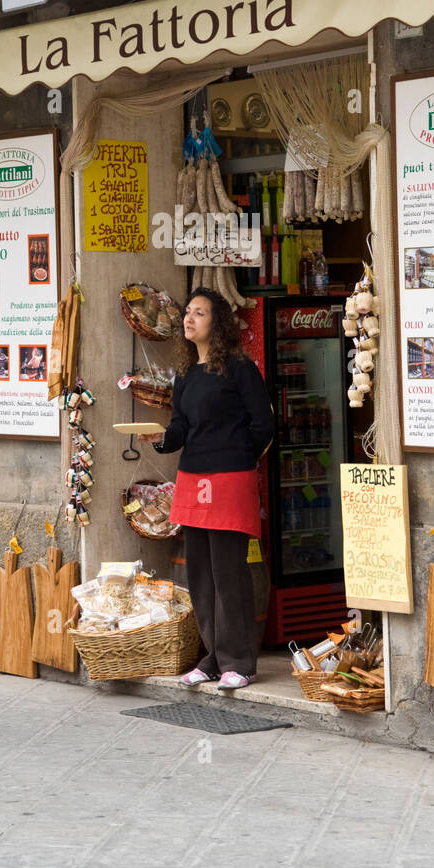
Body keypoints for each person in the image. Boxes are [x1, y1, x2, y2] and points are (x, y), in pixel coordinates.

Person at [139, 286, 274, 690]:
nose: (189, 318)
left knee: (228, 572)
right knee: (200, 573)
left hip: (230, 479)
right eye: (188, 313)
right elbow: (181, 424)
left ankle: (240, 662)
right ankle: (213, 658)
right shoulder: (185, 374)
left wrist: (237, 457)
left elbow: (263, 424)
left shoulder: (239, 368)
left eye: (199, 313)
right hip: (192, 477)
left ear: (218, 323)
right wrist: (162, 440)